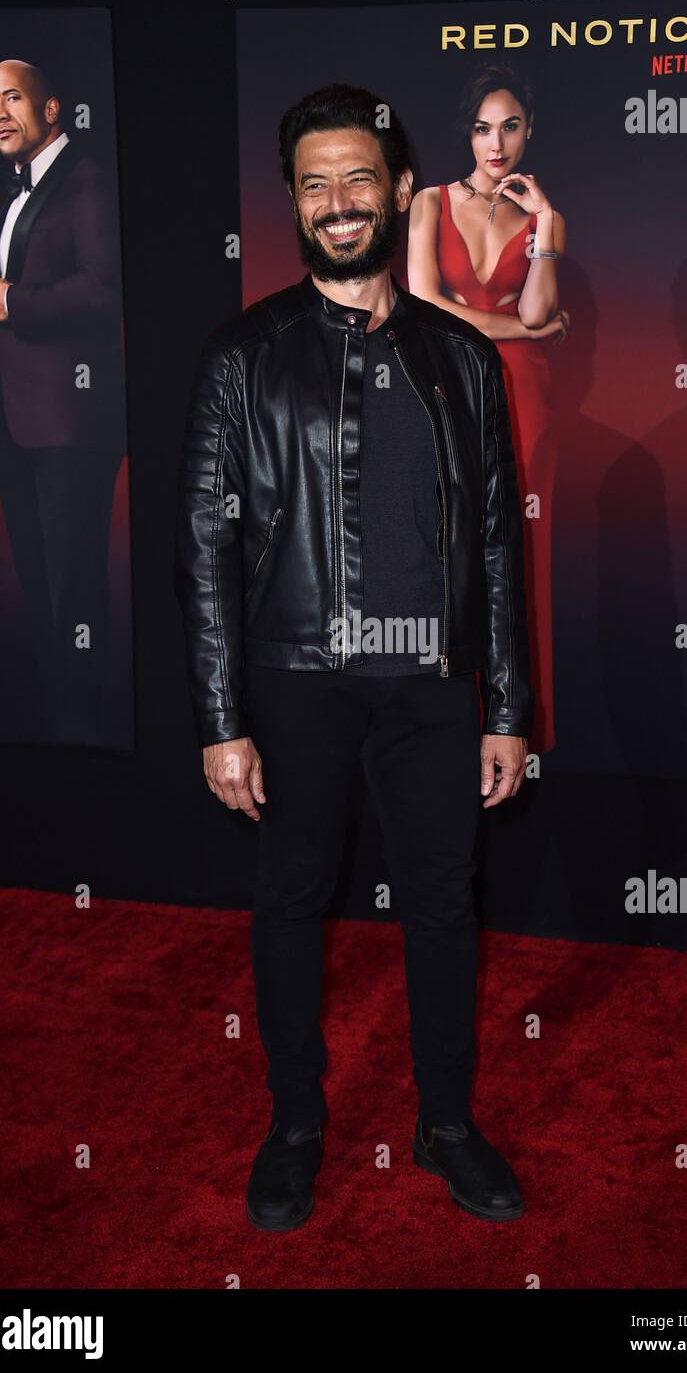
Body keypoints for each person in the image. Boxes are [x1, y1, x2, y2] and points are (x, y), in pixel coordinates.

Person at [174, 82, 534, 1231]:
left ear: (397, 189)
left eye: (357, 177)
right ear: (292, 200)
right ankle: (293, 1125)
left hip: (431, 688)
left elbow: (492, 540)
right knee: (288, 902)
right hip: (294, 680)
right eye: (314, 182)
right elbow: (203, 546)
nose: (337, 202)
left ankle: (444, 1121)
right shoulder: (242, 354)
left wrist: (506, 706)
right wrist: (223, 718)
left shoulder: (463, 358)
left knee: (440, 904)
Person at [408, 63, 568, 756]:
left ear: (529, 132)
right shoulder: (429, 204)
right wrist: (525, 329)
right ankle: (448, 722)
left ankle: (518, 727)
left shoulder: (541, 215)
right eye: (481, 128)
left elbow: (537, 304)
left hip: (526, 394)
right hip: (450, 384)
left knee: (523, 553)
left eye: (508, 126)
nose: (494, 143)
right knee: (449, 545)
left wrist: (547, 225)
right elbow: (421, 307)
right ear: (465, 135)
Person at [0, 59, 124, 745]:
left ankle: (83, 733)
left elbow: (106, 291)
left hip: (71, 426)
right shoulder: (24, 187)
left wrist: (15, 303)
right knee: (40, 584)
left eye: (13, 98)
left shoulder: (88, 183)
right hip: (17, 421)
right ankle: (54, 730)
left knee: (73, 590)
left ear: (51, 110)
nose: (0, 112)